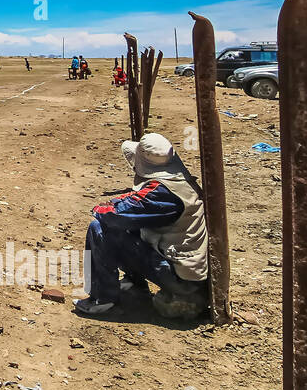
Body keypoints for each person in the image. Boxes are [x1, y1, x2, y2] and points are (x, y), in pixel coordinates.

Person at [75, 133, 209, 317]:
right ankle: (133, 284)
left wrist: (99, 208)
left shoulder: (161, 193)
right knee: (134, 227)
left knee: (99, 228)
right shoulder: (179, 182)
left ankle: (102, 298)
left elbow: (114, 215)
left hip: (180, 277)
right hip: (187, 269)